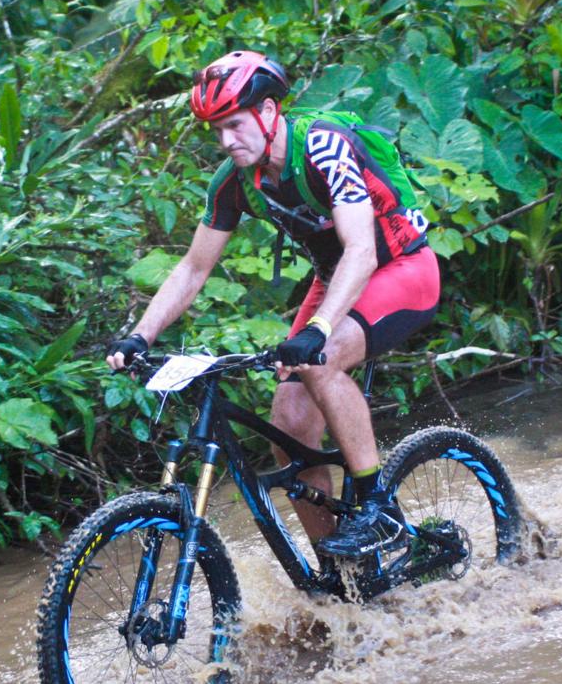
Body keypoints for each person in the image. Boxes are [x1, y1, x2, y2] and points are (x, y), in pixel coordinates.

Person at [105, 50, 440, 557]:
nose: (225, 140)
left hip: (400, 268)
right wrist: (140, 336)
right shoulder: (235, 181)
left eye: (234, 124)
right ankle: (338, 570)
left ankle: (379, 511)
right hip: (336, 280)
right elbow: (193, 268)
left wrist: (319, 329)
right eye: (216, 130)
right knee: (288, 425)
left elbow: (361, 251)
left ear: (267, 111)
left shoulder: (325, 147)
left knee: (321, 360)